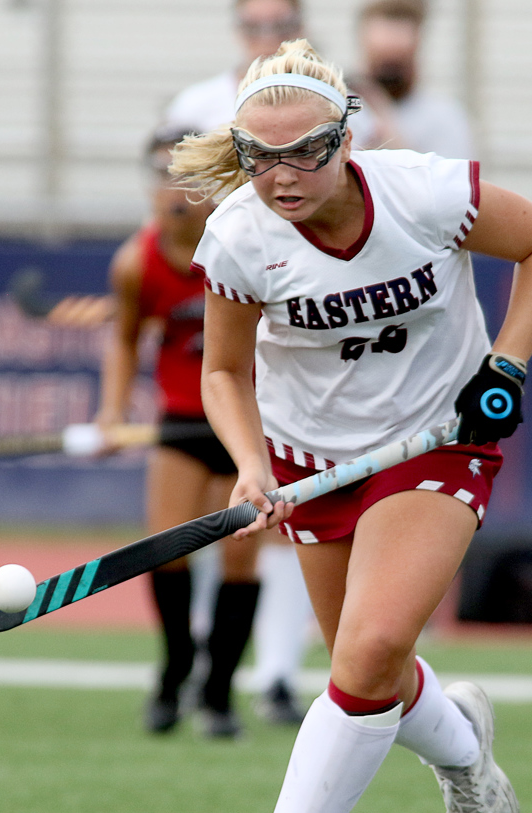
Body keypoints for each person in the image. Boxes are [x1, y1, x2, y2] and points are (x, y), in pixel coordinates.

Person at [170, 39, 532, 813]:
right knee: (377, 677)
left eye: (305, 150)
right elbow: (225, 374)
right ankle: (465, 749)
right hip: (313, 461)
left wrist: (505, 361)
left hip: (437, 440)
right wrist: (251, 465)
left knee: (370, 649)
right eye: (260, 155)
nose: (282, 175)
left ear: (345, 136)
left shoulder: (424, 193)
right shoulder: (239, 236)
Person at [163, 0, 334, 729]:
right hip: (236, 381)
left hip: (321, 381)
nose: (283, 174)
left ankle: (272, 678)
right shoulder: (198, 112)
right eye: (253, 21)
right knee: (225, 536)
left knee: (293, 564)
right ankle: (190, 676)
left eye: (280, 19)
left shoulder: (345, 110)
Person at [94, 130, 261, 739]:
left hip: (245, 417)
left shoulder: (246, 243)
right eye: (162, 176)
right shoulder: (137, 262)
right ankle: (173, 671)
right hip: (182, 417)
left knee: (241, 556)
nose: (175, 192)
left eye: (188, 179)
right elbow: (124, 337)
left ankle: (218, 693)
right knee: (165, 546)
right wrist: (111, 413)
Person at [355, 0, 473, 157]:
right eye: (381, 60)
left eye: (397, 61)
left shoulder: (444, 119)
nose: (389, 73)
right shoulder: (341, 114)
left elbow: (449, 179)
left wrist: (384, 120)